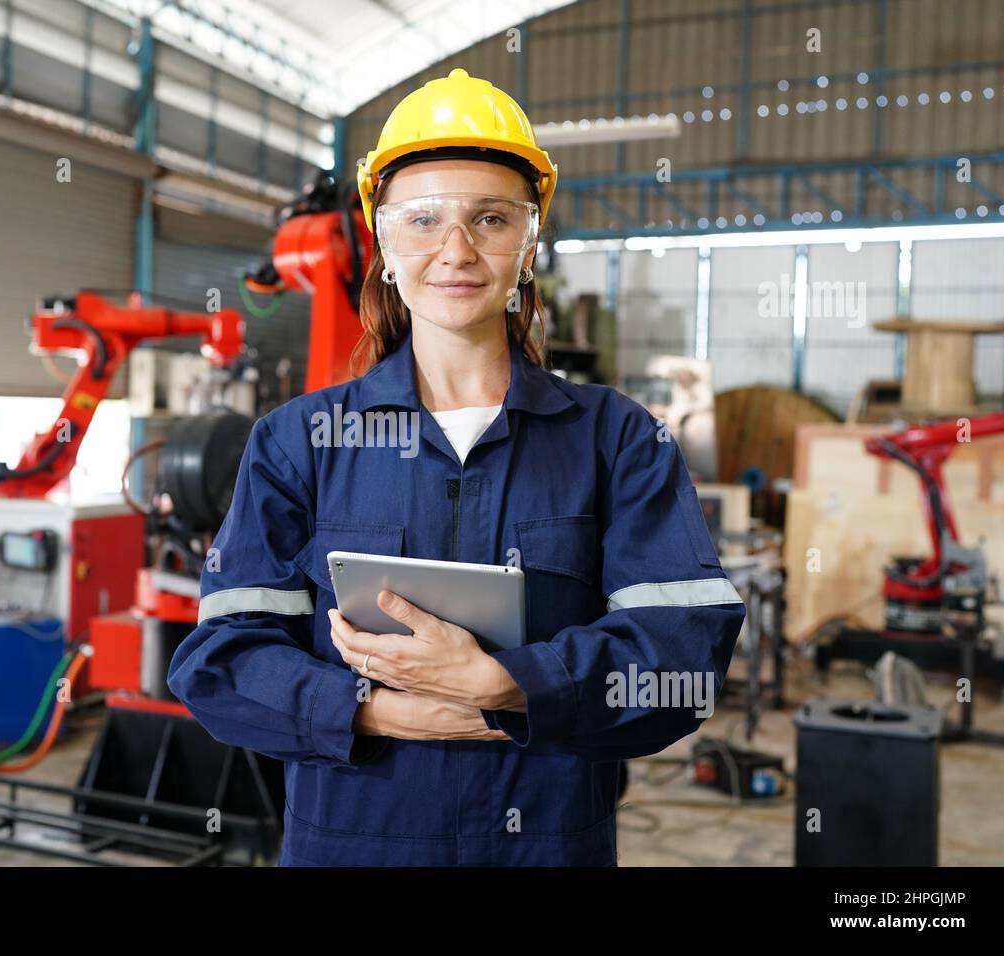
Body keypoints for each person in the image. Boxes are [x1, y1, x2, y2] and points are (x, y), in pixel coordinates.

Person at [167, 68, 745, 866]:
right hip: (353, 846)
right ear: (384, 244)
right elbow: (218, 662)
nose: (456, 250)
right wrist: (375, 710)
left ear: (529, 243)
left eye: (491, 218)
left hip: (545, 846)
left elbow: (682, 654)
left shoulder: (618, 440)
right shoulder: (297, 442)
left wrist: (509, 685)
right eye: (423, 219)